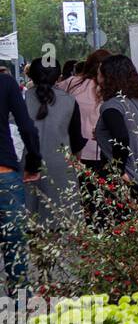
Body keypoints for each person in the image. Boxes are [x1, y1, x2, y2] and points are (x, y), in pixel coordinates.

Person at [25, 60, 85, 227]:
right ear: (58, 77)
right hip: (61, 167)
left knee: (28, 222)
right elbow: (76, 141)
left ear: (30, 76)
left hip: (27, 167)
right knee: (62, 223)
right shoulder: (70, 101)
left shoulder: (21, 99)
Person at [93, 55, 138, 200]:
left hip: (130, 177)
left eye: (99, 73)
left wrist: (120, 171)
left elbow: (121, 136)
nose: (97, 78)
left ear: (108, 77)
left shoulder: (112, 106)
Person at [0, 67, 41, 292]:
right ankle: (18, 302)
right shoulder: (6, 83)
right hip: (4, 170)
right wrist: (33, 162)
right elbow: (27, 127)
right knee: (14, 242)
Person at [58, 48, 111, 178]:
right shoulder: (109, 87)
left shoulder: (71, 83)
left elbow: (54, 95)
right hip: (101, 148)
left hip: (74, 147)